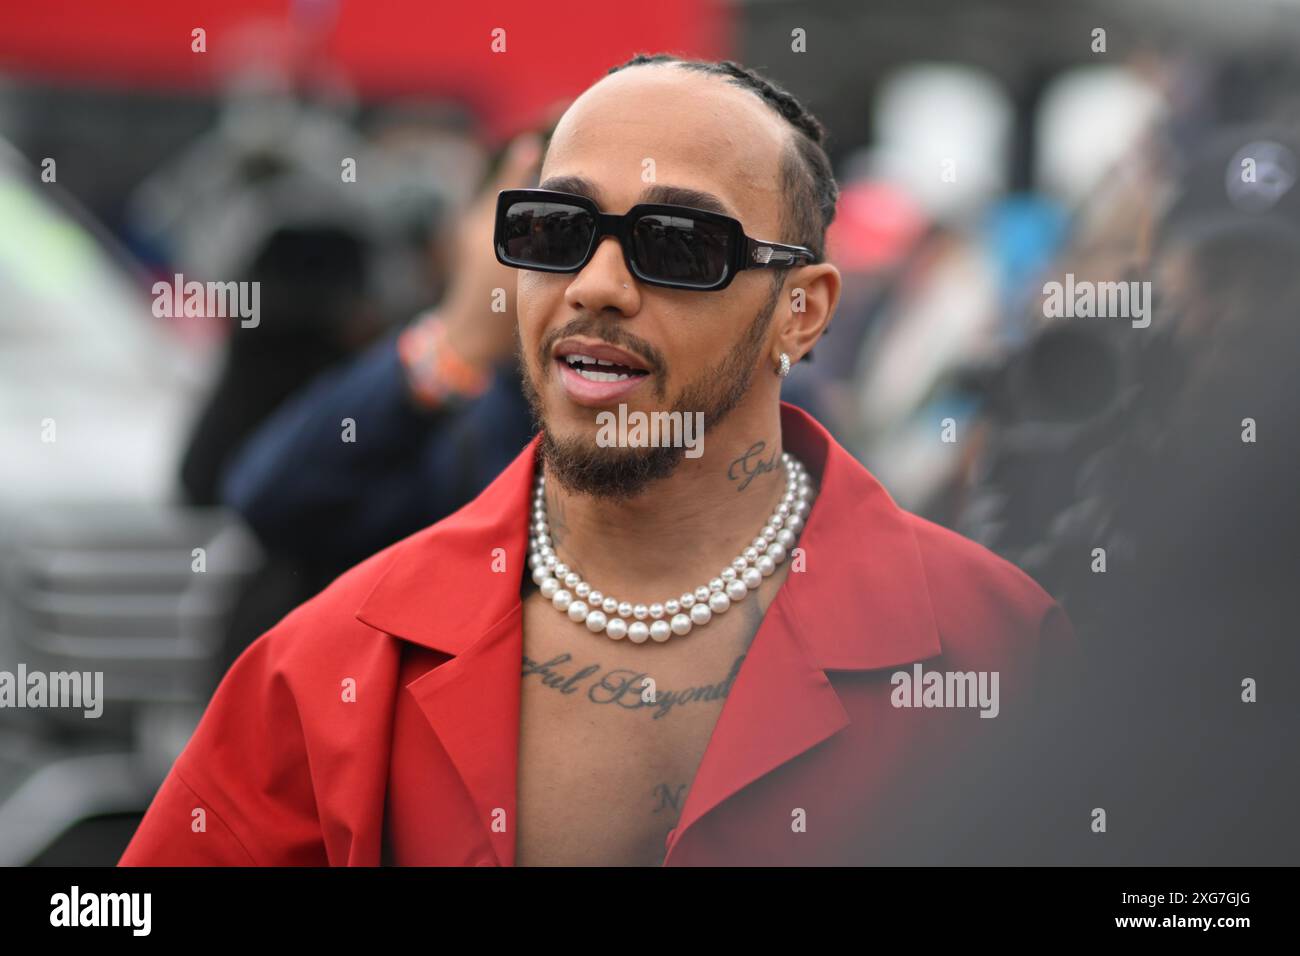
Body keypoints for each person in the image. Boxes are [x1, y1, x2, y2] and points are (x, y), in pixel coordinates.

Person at [119, 54, 1073, 867]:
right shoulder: (333, 662)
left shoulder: (991, 647)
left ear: (806, 311)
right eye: (553, 231)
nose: (599, 286)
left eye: (679, 245)